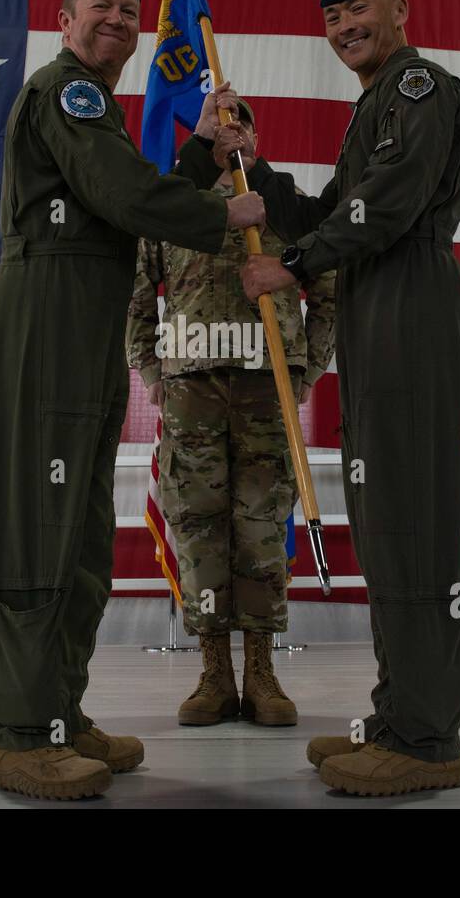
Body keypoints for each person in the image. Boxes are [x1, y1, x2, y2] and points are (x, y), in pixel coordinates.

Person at [181, 0, 460, 795]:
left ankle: (427, 741)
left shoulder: (422, 89)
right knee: (388, 524)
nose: (346, 26)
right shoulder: (373, 106)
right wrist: (258, 169)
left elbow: (387, 202)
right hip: (378, 305)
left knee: (415, 527)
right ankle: (397, 716)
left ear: (402, 10)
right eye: (333, 17)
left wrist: (295, 263)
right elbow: (331, 210)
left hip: (414, 303)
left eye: (361, 10)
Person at [0, 0, 267, 800]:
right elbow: (122, 196)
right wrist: (222, 208)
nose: (115, 20)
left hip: (83, 320)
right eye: (97, 5)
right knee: (39, 521)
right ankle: (19, 735)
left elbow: (123, 199)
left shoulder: (94, 107)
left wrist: (198, 152)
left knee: (76, 531)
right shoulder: (65, 90)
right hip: (46, 317)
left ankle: (59, 716)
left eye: (128, 12)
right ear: (64, 21)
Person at [126, 97, 337, 728]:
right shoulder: (174, 201)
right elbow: (137, 295)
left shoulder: (282, 199)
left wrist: (308, 369)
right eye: (219, 117)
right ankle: (214, 672)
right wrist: (151, 373)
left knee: (261, 523)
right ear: (203, 131)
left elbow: (326, 285)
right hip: (191, 386)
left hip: (263, 383)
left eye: (241, 116)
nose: (231, 125)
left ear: (256, 131)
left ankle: (263, 671)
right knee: (196, 523)